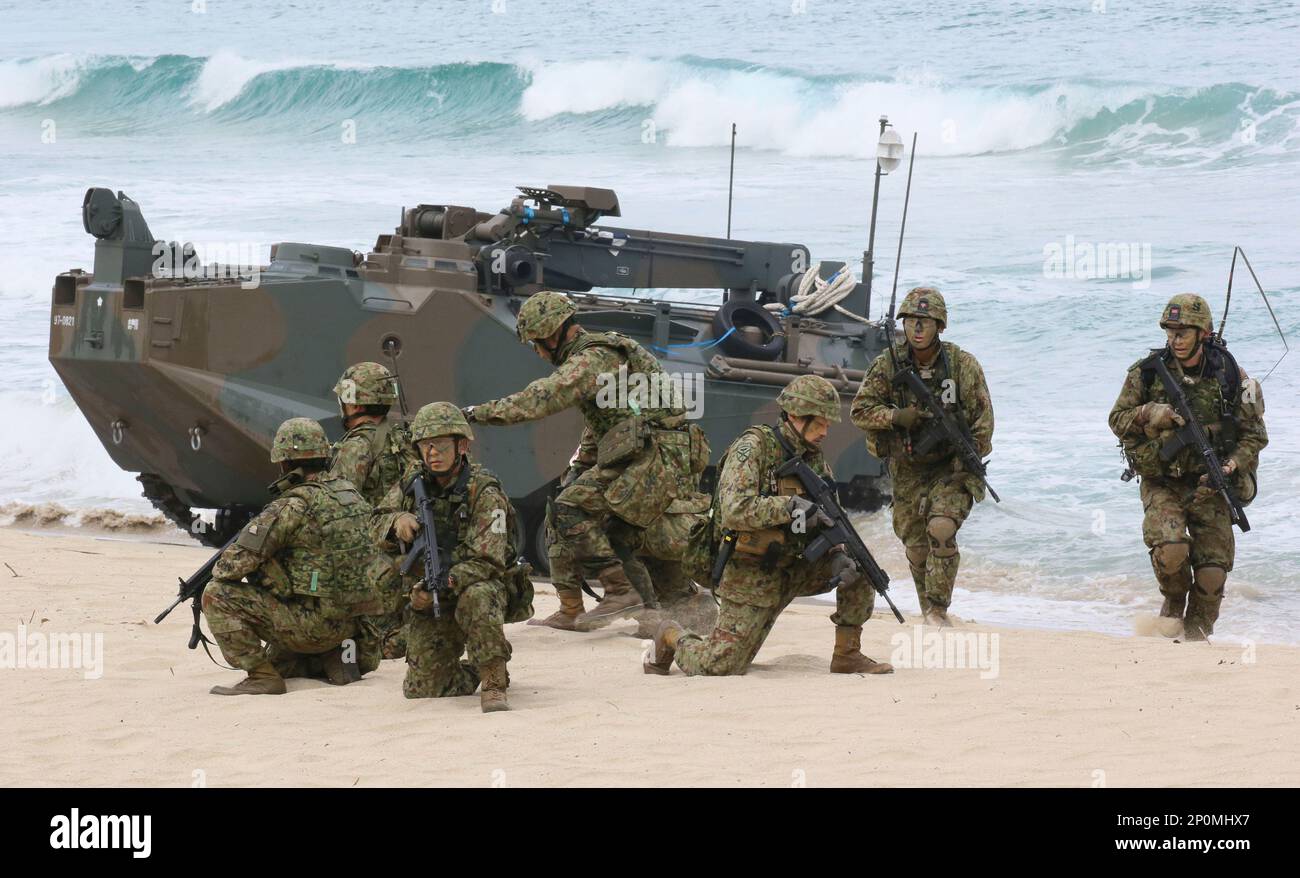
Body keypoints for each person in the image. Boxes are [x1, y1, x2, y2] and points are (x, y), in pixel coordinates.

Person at [465, 290, 696, 630]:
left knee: (572, 509)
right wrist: (582, 465)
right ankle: (573, 606)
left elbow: (544, 397)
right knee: (565, 506)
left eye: (536, 343)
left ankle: (622, 592)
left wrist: (474, 414)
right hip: (638, 452)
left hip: (655, 456)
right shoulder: (599, 358)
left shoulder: (593, 359)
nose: (538, 353)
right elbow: (607, 420)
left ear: (552, 335)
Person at [644, 375, 894, 677]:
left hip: (797, 566)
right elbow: (734, 510)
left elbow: (832, 516)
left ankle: (847, 654)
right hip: (752, 572)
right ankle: (671, 635)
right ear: (794, 416)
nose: (825, 432)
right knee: (720, 666)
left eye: (828, 424)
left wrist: (838, 552)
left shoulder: (814, 460)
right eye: (819, 423)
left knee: (860, 567)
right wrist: (788, 506)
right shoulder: (753, 449)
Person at [1108, 293, 1267, 640]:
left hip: (1210, 484)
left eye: (1183, 332)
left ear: (1203, 332)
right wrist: (1153, 413)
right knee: (1171, 550)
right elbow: (1116, 419)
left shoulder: (1234, 378)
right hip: (1163, 480)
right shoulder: (1147, 374)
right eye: (1170, 331)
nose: (1175, 339)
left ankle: (1196, 636)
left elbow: (1255, 437)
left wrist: (1230, 465)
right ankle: (1173, 601)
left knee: (1212, 575)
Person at [202, 418, 384, 695]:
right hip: (356, 628)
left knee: (216, 593)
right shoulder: (352, 497)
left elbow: (227, 569)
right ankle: (327, 659)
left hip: (315, 628)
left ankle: (262, 676)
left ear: (285, 464)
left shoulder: (292, 506)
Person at [849, 287, 994, 626]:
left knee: (941, 529)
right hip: (907, 468)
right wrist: (895, 417)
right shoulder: (888, 364)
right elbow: (860, 411)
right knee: (915, 547)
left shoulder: (962, 365)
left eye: (924, 322)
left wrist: (966, 461)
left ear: (939, 326)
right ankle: (927, 607)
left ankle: (939, 610)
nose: (916, 328)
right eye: (911, 321)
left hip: (951, 468)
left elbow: (983, 423)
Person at [372, 402, 520, 712]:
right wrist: (396, 519)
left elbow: (488, 561)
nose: (432, 453)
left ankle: (494, 679)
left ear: (462, 445)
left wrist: (445, 583)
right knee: (422, 690)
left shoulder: (484, 490)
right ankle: (473, 670)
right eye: (425, 445)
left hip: (479, 586)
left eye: (440, 445)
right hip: (433, 589)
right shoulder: (414, 482)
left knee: (478, 594)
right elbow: (375, 520)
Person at [328, 361, 418, 659]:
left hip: (374, 562)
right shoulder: (402, 437)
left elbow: (339, 510)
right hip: (405, 556)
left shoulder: (357, 446)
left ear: (352, 403)